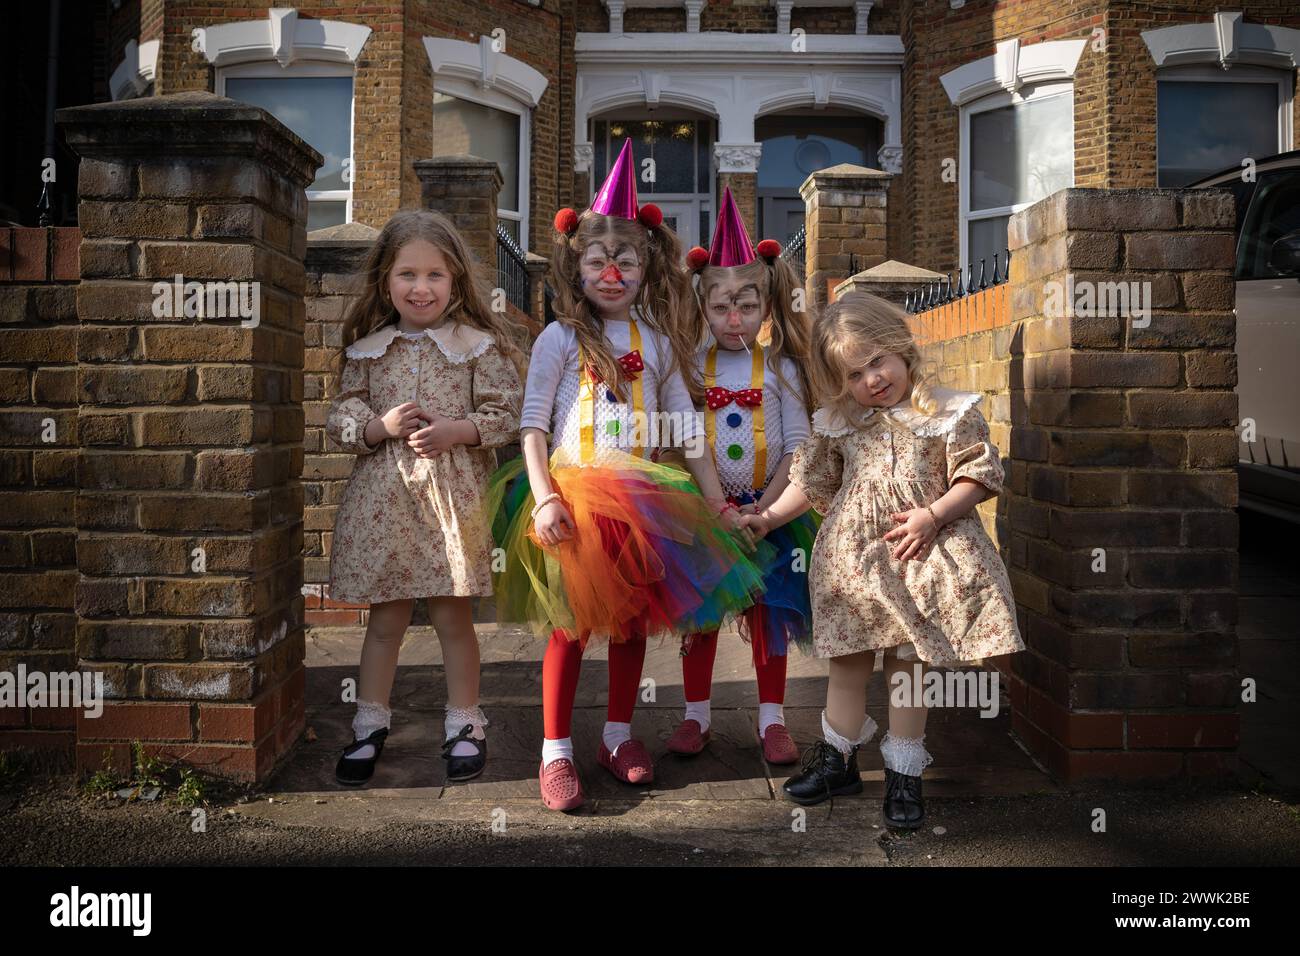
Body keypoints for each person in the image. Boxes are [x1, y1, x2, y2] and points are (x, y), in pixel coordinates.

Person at [487, 140, 761, 811]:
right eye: (598, 261)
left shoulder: (659, 344)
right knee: (570, 625)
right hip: (571, 497)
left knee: (632, 623)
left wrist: (715, 501)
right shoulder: (559, 338)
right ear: (575, 267)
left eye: (626, 262)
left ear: (646, 269)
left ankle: (617, 734)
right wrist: (546, 496)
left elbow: (686, 430)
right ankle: (555, 750)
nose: (612, 273)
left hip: (643, 501)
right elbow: (532, 426)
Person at [741, 291, 1024, 828]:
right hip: (854, 566)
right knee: (847, 660)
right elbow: (811, 481)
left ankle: (903, 771)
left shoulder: (946, 411)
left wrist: (935, 514)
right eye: (853, 374)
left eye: (876, 362)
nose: (870, 380)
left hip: (917, 554)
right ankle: (839, 759)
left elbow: (978, 476)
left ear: (901, 348)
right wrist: (769, 517)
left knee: (908, 667)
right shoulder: (840, 423)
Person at [326, 209, 524, 786]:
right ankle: (369, 725)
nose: (421, 287)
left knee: (452, 618)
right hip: (385, 503)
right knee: (384, 622)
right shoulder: (368, 350)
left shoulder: (477, 346)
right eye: (407, 274)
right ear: (386, 281)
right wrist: (379, 426)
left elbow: (506, 414)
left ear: (456, 280)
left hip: (450, 505)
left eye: (435, 275)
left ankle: (465, 723)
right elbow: (341, 416)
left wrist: (455, 430)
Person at [667, 187, 817, 766]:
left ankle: (772, 718)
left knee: (770, 613)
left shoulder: (781, 369)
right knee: (700, 615)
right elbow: (684, 439)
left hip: (767, 510)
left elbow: (798, 445)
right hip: (706, 510)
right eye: (721, 307)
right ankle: (695, 713)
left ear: (766, 305)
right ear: (701, 306)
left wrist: (764, 510)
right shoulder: (687, 366)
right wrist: (717, 507)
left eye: (748, 306)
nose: (735, 319)